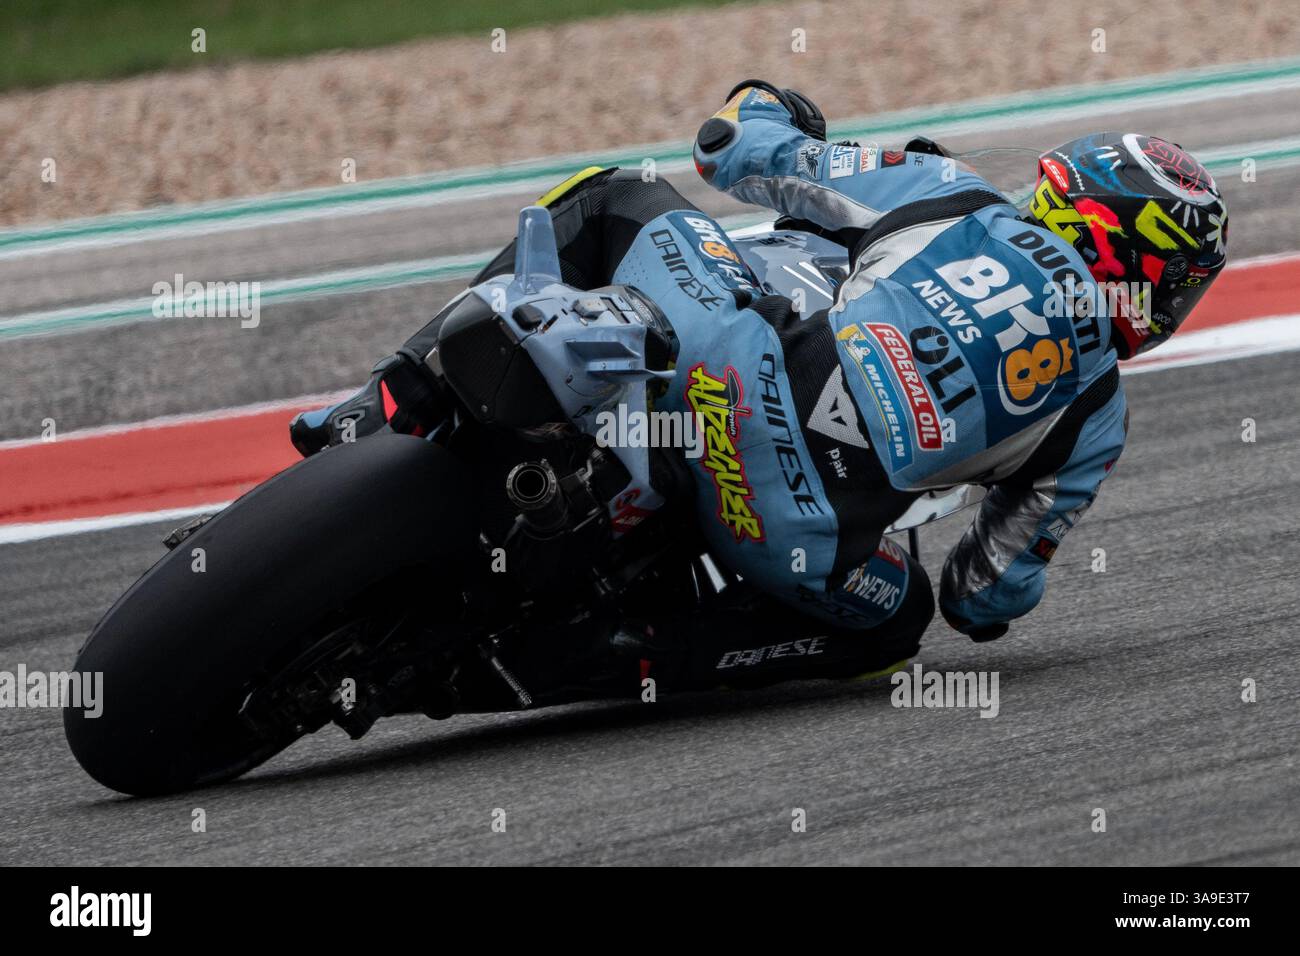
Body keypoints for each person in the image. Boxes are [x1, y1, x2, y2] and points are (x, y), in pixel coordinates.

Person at [290, 80, 1228, 690]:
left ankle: (381, 403)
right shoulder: (1097, 419)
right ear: (1141, 266)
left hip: (726, 372)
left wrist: (766, 104)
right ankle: (592, 658)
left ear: (1068, 198)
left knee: (611, 196)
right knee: (897, 624)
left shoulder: (949, 193)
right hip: (791, 535)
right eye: (1177, 288)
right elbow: (982, 596)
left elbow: (733, 150)